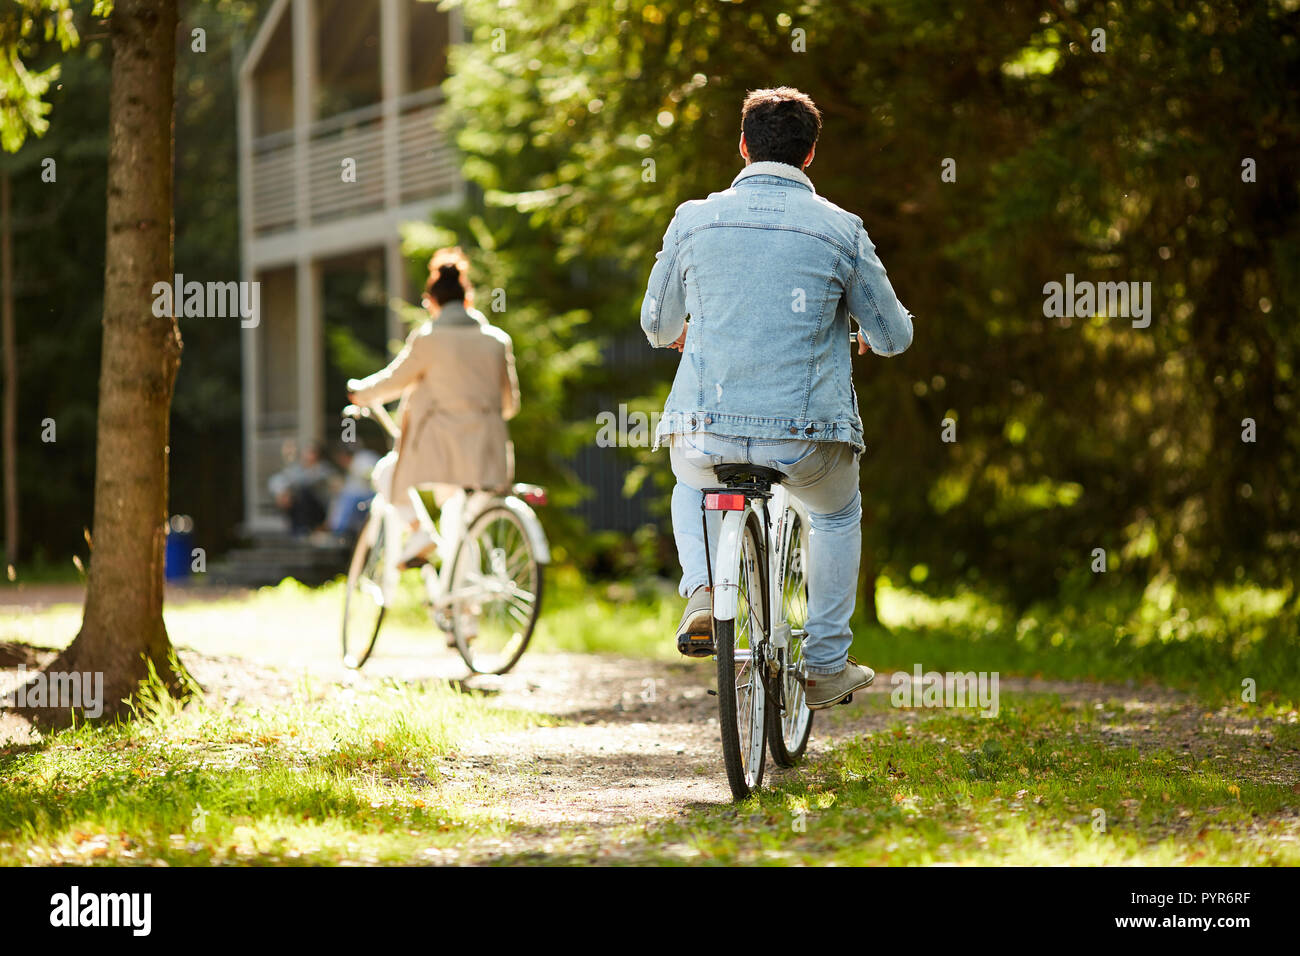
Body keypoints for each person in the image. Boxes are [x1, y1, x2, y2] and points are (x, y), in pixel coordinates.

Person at [640, 87, 914, 710]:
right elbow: (892, 337)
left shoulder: (692, 219)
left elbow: (656, 325)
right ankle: (823, 664)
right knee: (837, 515)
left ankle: (705, 591)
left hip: (707, 433)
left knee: (691, 480)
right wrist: (863, 335)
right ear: (810, 154)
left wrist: (687, 331)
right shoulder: (842, 229)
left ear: (742, 146)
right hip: (805, 437)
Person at [347, 247, 521, 568]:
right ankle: (464, 606)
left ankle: (420, 533)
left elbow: (392, 381)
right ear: (468, 299)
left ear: (432, 302)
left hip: (441, 450)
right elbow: (510, 405)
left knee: (387, 472)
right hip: (488, 454)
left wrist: (359, 392)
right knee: (463, 520)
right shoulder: (497, 341)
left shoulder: (428, 339)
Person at [268, 439, 334, 536]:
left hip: (319, 513)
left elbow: (309, 482)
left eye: (312, 453)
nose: (307, 456)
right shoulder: (298, 470)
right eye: (306, 453)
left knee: (303, 492)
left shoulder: (324, 470)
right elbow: (276, 480)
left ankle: (303, 530)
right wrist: (281, 493)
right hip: (299, 514)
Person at [328, 443, 380, 538]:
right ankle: (338, 531)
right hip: (363, 497)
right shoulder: (354, 464)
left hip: (373, 495)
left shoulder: (363, 459)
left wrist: (363, 475)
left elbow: (372, 477)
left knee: (348, 498)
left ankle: (340, 531)